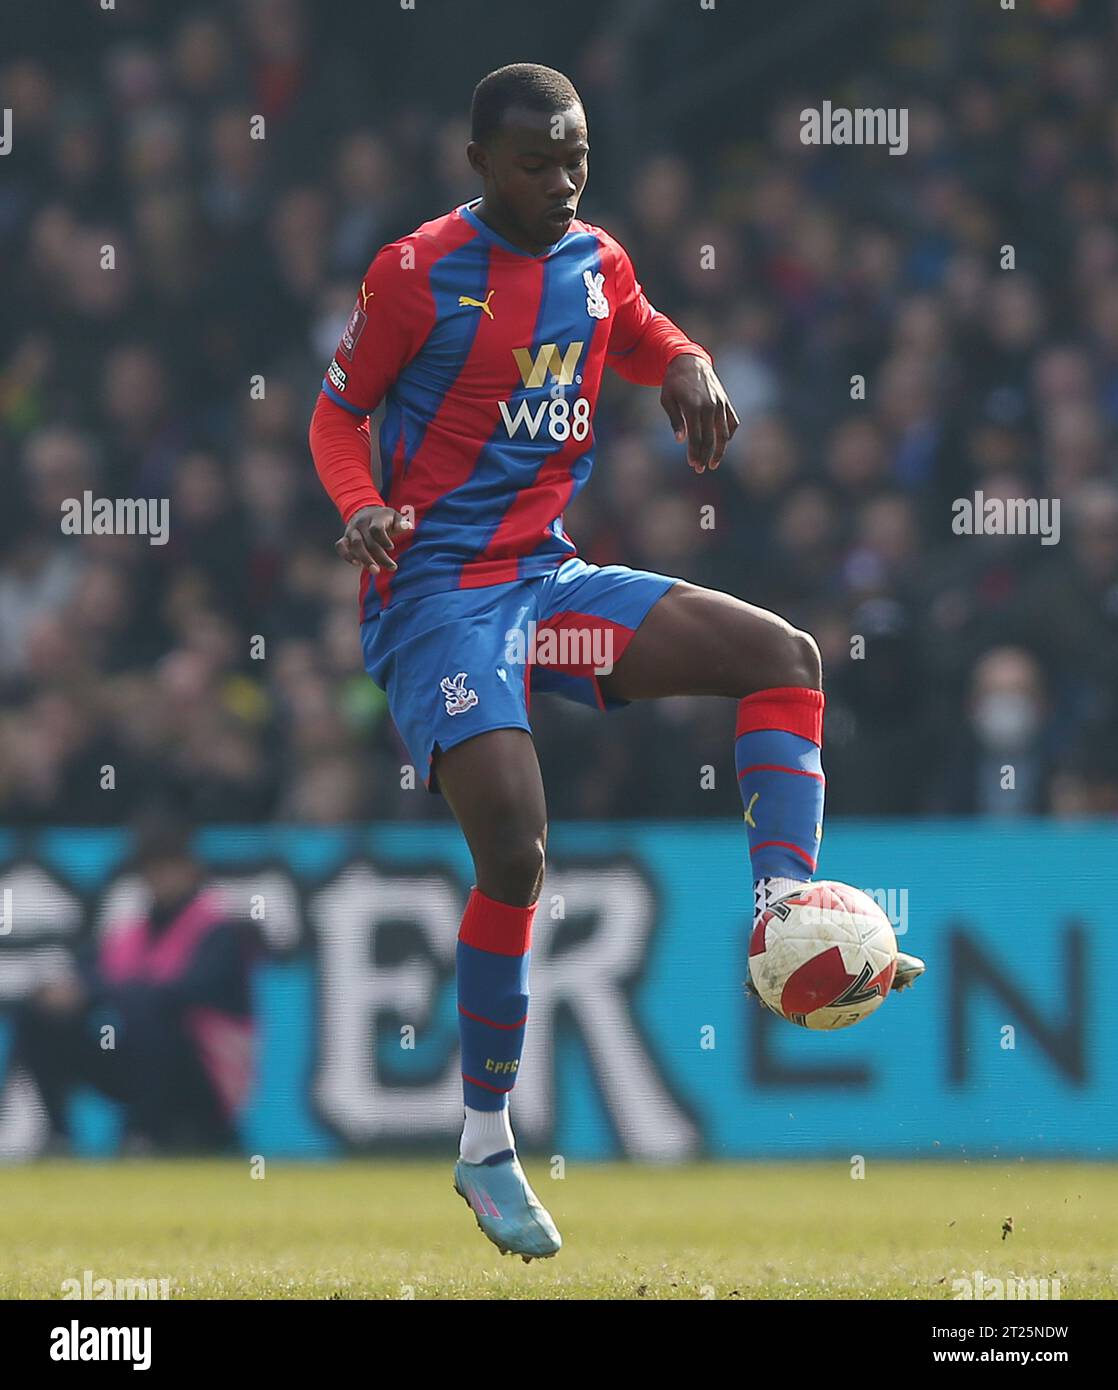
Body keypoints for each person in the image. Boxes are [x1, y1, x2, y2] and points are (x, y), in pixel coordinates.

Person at [308, 63, 923, 1259]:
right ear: (479, 162)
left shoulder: (597, 260)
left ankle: (778, 904)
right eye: (535, 162)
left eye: (575, 157)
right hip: (438, 600)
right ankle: (485, 1141)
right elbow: (337, 412)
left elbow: (637, 333)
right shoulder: (414, 272)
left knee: (780, 657)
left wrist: (686, 361)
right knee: (517, 851)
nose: (561, 179)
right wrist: (361, 505)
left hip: (547, 589)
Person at [12, 811, 256, 1153]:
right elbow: (91, 976)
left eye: (169, 866)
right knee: (40, 1013)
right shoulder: (133, 930)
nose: (160, 878)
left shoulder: (218, 928)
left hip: (205, 1078)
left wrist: (96, 991)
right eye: (151, 868)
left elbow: (179, 992)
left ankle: (140, 1136)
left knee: (149, 1012)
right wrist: (66, 993)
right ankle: (59, 1138)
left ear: (191, 868)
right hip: (145, 1067)